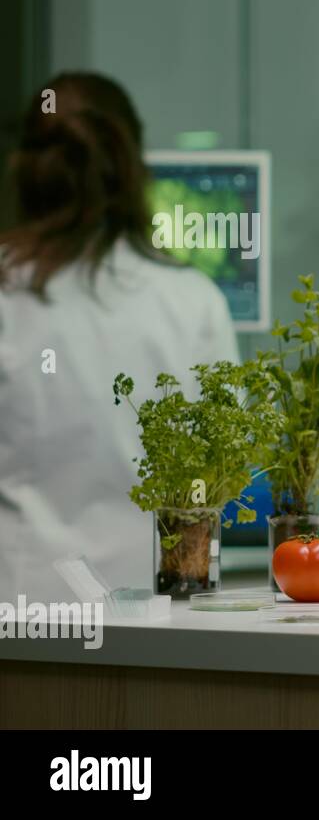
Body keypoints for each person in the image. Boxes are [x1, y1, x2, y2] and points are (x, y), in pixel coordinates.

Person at [0, 73, 238, 603]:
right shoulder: (192, 301)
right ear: (132, 169)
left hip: (16, 616)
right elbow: (217, 479)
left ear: (25, 170)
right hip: (152, 618)